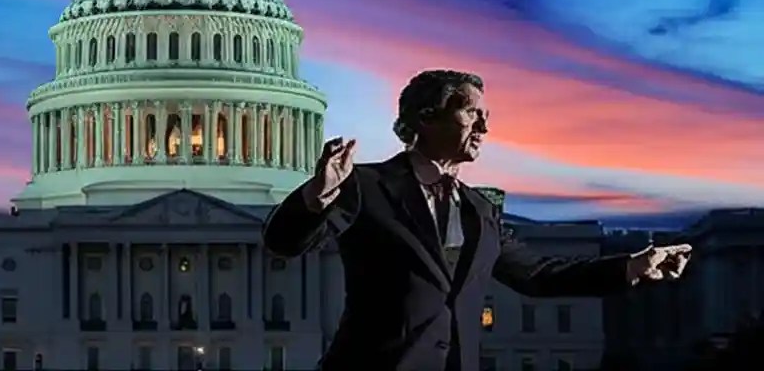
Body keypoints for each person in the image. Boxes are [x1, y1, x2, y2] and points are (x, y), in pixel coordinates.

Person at [262, 69, 691, 371]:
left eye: (485, 116)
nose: (485, 126)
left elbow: (538, 276)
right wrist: (316, 196)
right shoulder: (366, 185)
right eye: (472, 113)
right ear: (426, 118)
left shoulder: (480, 210)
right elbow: (284, 243)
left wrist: (633, 265)